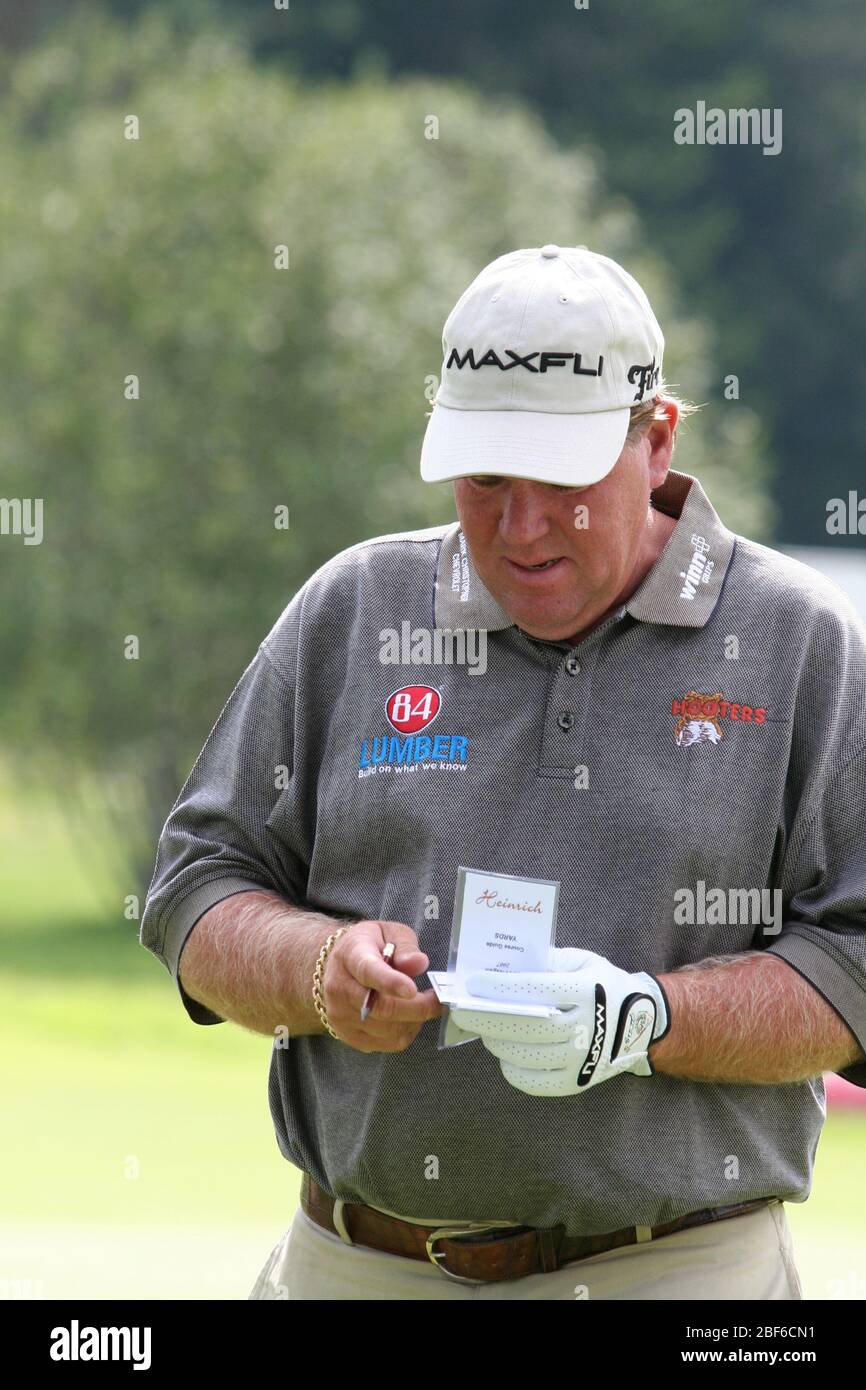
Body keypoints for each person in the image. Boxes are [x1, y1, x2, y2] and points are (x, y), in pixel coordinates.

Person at [140, 244, 866, 1301]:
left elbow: (852, 961)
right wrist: (318, 965)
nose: (522, 529)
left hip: (674, 1275)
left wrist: (643, 1022)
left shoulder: (797, 641)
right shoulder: (352, 609)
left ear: (654, 439)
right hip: (354, 1264)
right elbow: (193, 890)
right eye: (485, 480)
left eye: (562, 482)